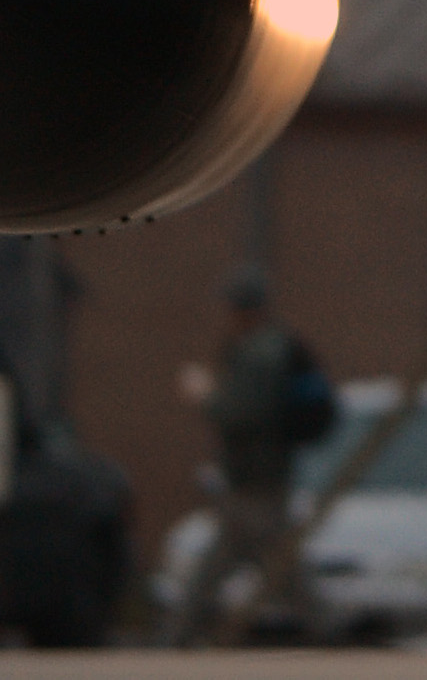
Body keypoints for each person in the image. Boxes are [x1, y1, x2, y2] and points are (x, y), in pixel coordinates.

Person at [159, 269, 329, 640]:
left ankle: (326, 626)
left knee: (272, 557)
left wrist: (204, 394)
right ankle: (178, 632)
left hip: (257, 475)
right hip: (258, 474)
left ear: (243, 310)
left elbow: (241, 413)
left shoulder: (259, 352)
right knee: (250, 554)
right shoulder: (268, 345)